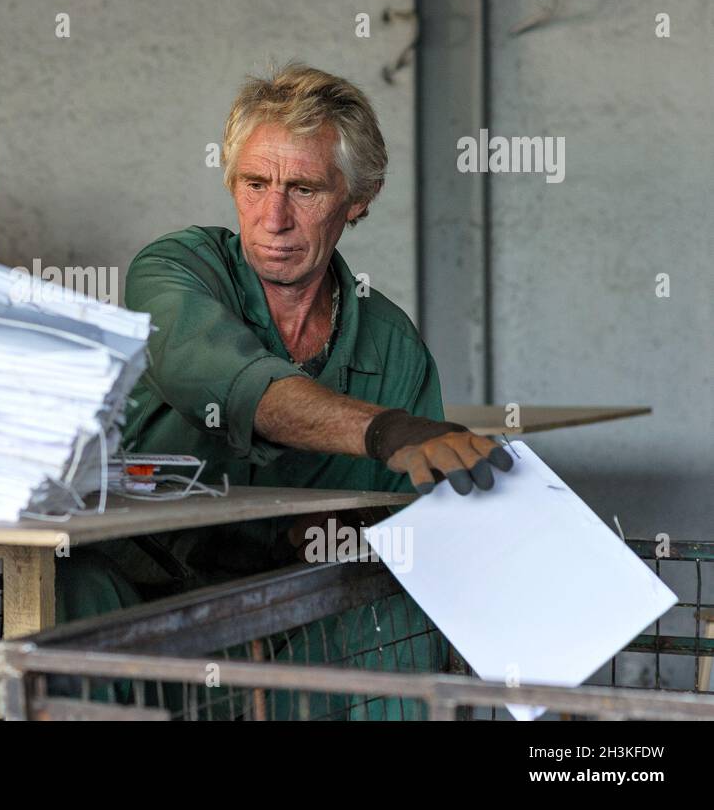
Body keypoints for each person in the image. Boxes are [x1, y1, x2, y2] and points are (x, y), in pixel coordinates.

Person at [57, 61, 512, 633]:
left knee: (395, 622)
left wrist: (336, 532)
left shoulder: (392, 347)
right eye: (255, 185)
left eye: (304, 189)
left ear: (360, 198)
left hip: (287, 615)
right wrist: (386, 432)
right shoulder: (175, 271)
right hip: (142, 590)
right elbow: (233, 382)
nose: (274, 219)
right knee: (77, 589)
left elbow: (407, 514)